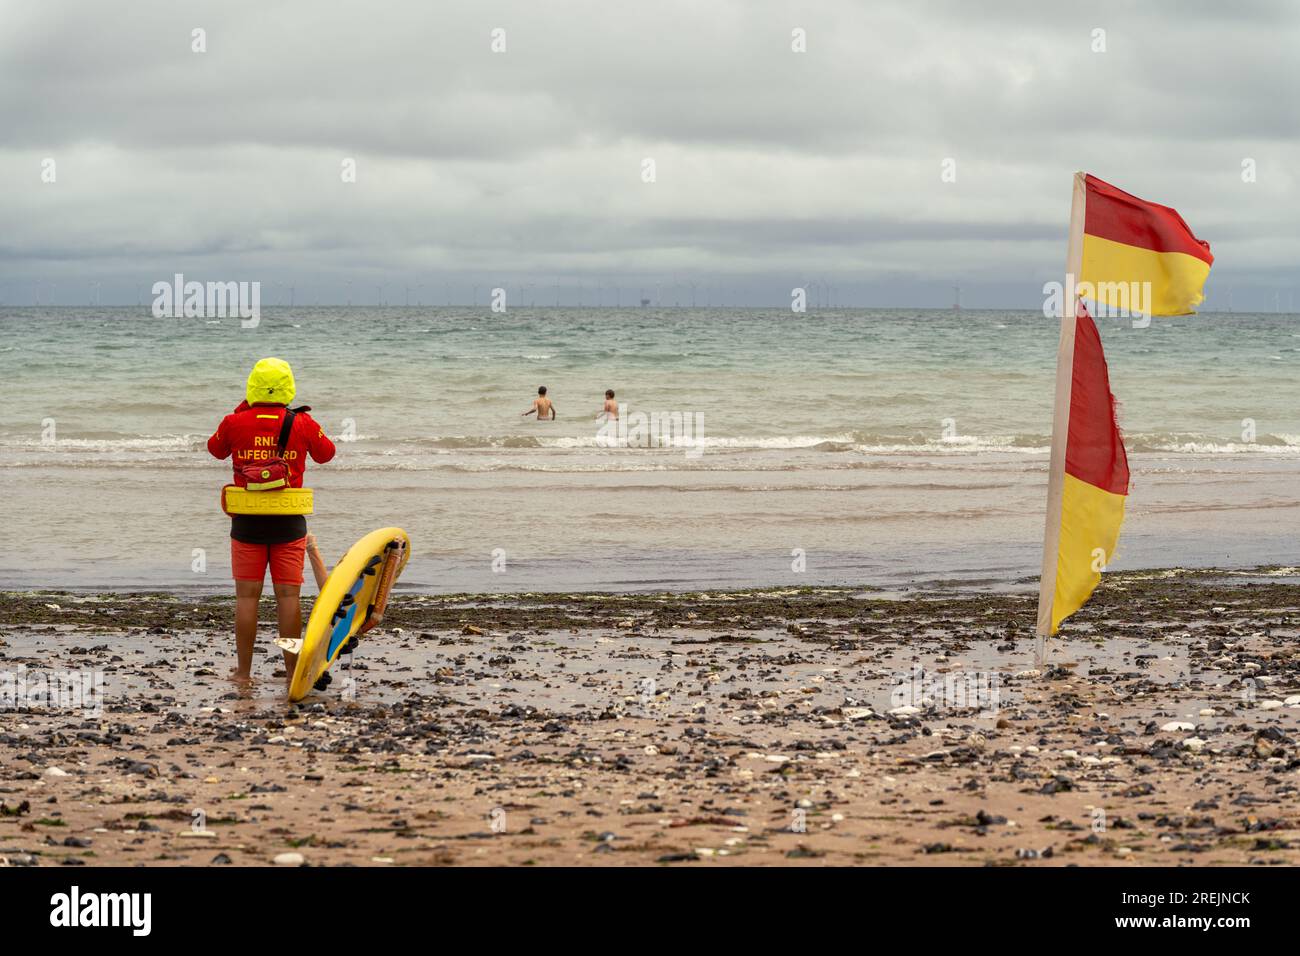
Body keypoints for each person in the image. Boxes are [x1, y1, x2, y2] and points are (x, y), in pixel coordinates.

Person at [207, 357, 336, 687]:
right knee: (288, 599)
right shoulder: (302, 422)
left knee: (247, 598)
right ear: (288, 387)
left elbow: (215, 449)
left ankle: (244, 673)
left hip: (247, 522)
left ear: (252, 385)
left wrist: (243, 410)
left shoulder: (234, 422)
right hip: (288, 522)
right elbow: (327, 453)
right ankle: (293, 672)